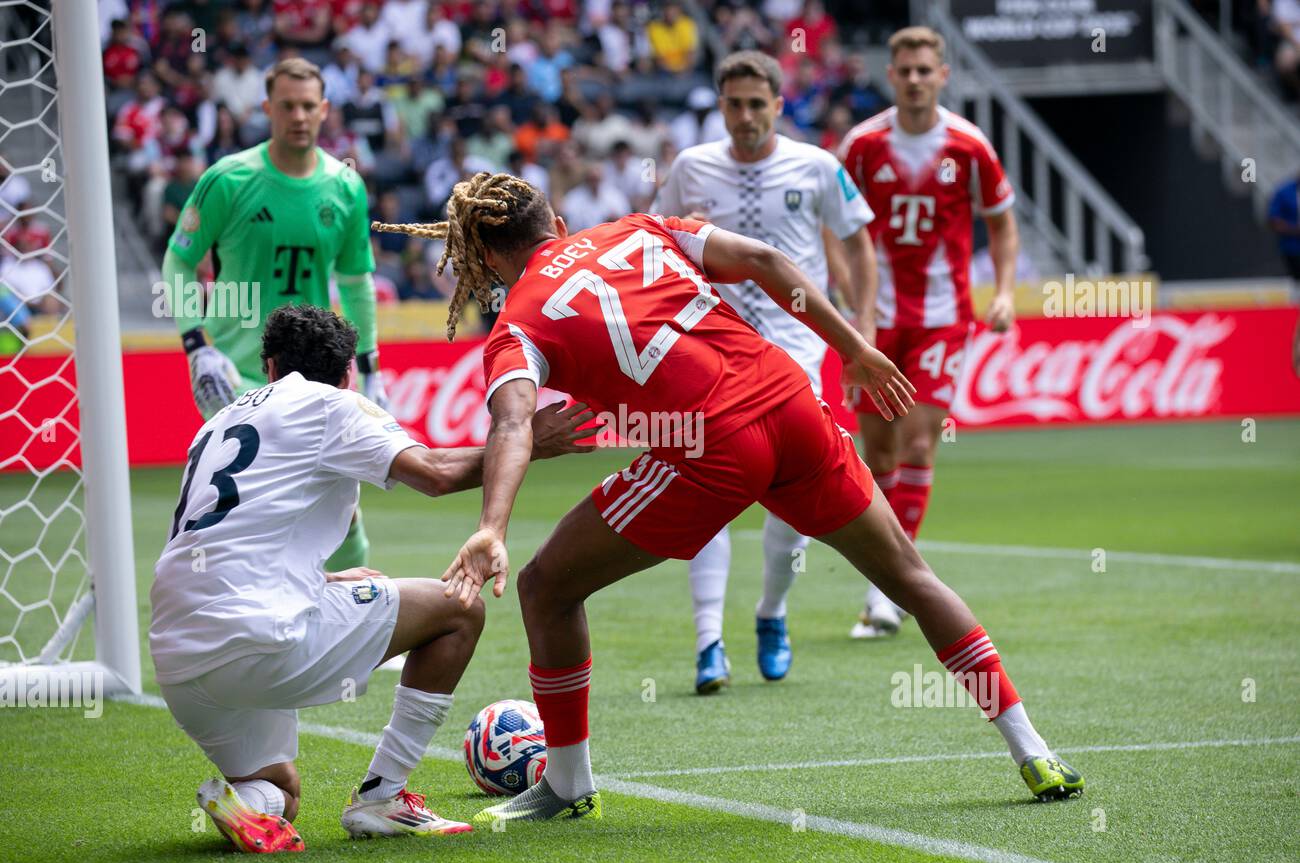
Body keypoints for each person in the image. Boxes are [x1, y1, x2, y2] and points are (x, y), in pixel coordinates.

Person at [374, 173, 1085, 821]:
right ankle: (1033, 751)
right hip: (792, 403)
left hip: (711, 445)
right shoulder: (636, 228)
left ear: (486, 258)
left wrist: (493, 525)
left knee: (545, 586)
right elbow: (769, 263)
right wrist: (855, 349)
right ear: (556, 219)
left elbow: (512, 423)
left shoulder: (517, 322)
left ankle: (566, 782)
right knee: (910, 576)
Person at [150, 303, 596, 852]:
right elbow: (432, 474)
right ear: (346, 375)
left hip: (177, 658)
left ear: (268, 366)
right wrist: (529, 442)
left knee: (279, 793)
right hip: (255, 639)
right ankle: (383, 796)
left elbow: (224, 538)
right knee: (459, 609)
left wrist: (324, 580)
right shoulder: (332, 403)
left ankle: (242, 802)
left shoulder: (219, 423)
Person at [651, 50, 877, 692]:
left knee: (794, 496)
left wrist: (862, 327)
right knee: (704, 491)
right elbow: (654, 241)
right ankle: (708, 643)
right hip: (706, 347)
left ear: (779, 105)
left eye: (757, 104)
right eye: (734, 104)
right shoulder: (692, 167)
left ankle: (772, 613)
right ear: (720, 106)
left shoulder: (818, 165)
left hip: (795, 348)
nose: (746, 116)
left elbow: (858, 239)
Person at [161, 57, 386, 573]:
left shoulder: (346, 187)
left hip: (317, 377)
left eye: (309, 106)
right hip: (237, 373)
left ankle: (355, 617)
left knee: (340, 508)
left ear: (325, 110)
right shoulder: (229, 178)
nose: (299, 116)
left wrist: (370, 366)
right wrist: (197, 347)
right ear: (267, 108)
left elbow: (355, 282)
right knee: (256, 506)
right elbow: (179, 258)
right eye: (287, 105)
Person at [837, 27, 1019, 638]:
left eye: (925, 70)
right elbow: (834, 223)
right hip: (873, 319)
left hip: (944, 317)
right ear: (890, 75)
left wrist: (1007, 291)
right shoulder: (863, 145)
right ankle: (890, 578)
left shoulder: (968, 144)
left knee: (918, 444)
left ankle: (887, 590)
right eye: (905, 70)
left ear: (943, 75)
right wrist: (845, 298)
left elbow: (1001, 222)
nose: (915, 79)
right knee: (879, 453)